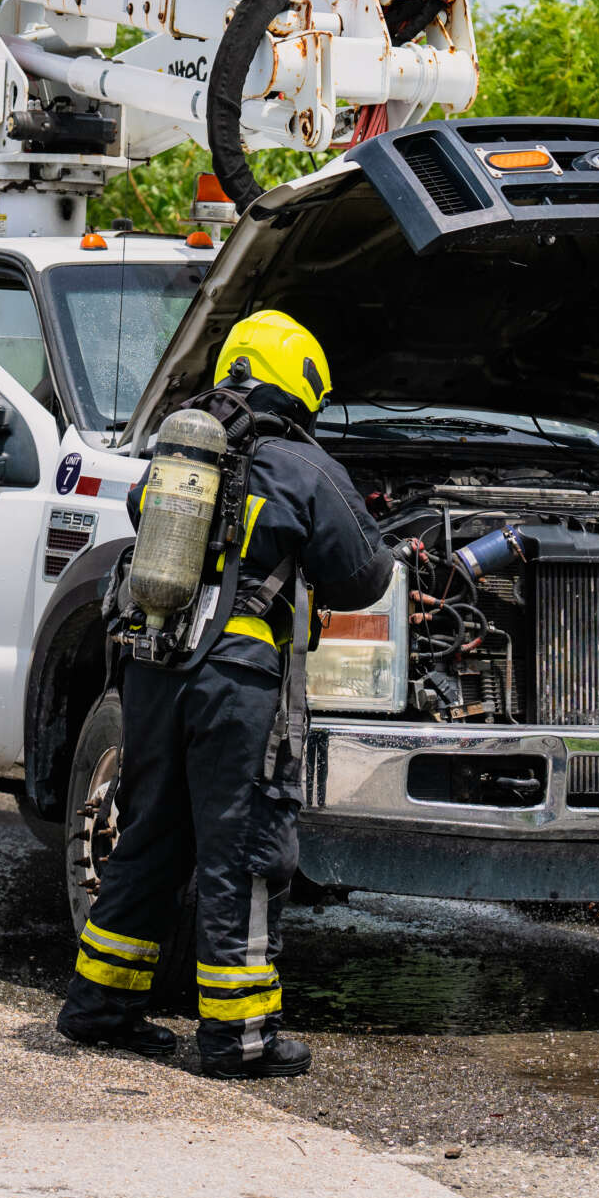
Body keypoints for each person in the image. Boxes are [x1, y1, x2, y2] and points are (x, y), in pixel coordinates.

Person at [56, 310, 391, 1078]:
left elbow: (145, 515)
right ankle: (239, 1038)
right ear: (301, 383)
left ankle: (99, 1007)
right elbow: (363, 576)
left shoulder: (184, 448)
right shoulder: (300, 464)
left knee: (149, 836)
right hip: (234, 681)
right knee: (242, 851)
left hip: (155, 666)